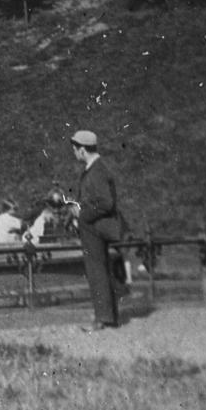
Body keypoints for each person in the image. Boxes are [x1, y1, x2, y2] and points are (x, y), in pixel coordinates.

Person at [69, 129, 125, 332]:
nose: (74, 153)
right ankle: (108, 317)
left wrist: (81, 214)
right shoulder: (95, 168)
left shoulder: (97, 171)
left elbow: (105, 203)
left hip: (95, 228)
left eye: (75, 149)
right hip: (94, 226)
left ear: (83, 150)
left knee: (96, 271)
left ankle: (102, 318)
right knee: (99, 270)